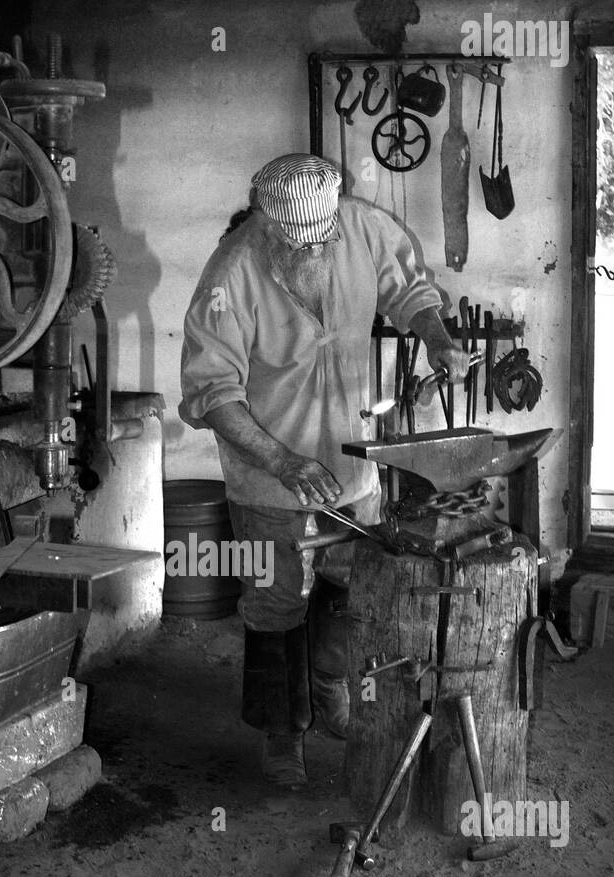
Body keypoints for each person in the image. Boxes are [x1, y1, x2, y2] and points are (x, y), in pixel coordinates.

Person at [179, 153, 468, 788]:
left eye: (325, 237)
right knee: (274, 600)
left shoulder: (359, 228)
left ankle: (328, 690)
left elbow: (408, 290)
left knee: (349, 582)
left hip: (349, 460)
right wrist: (281, 459)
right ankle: (282, 734)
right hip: (267, 468)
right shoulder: (231, 272)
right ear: (270, 227)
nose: (317, 250)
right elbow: (211, 392)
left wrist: (438, 337)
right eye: (301, 243)